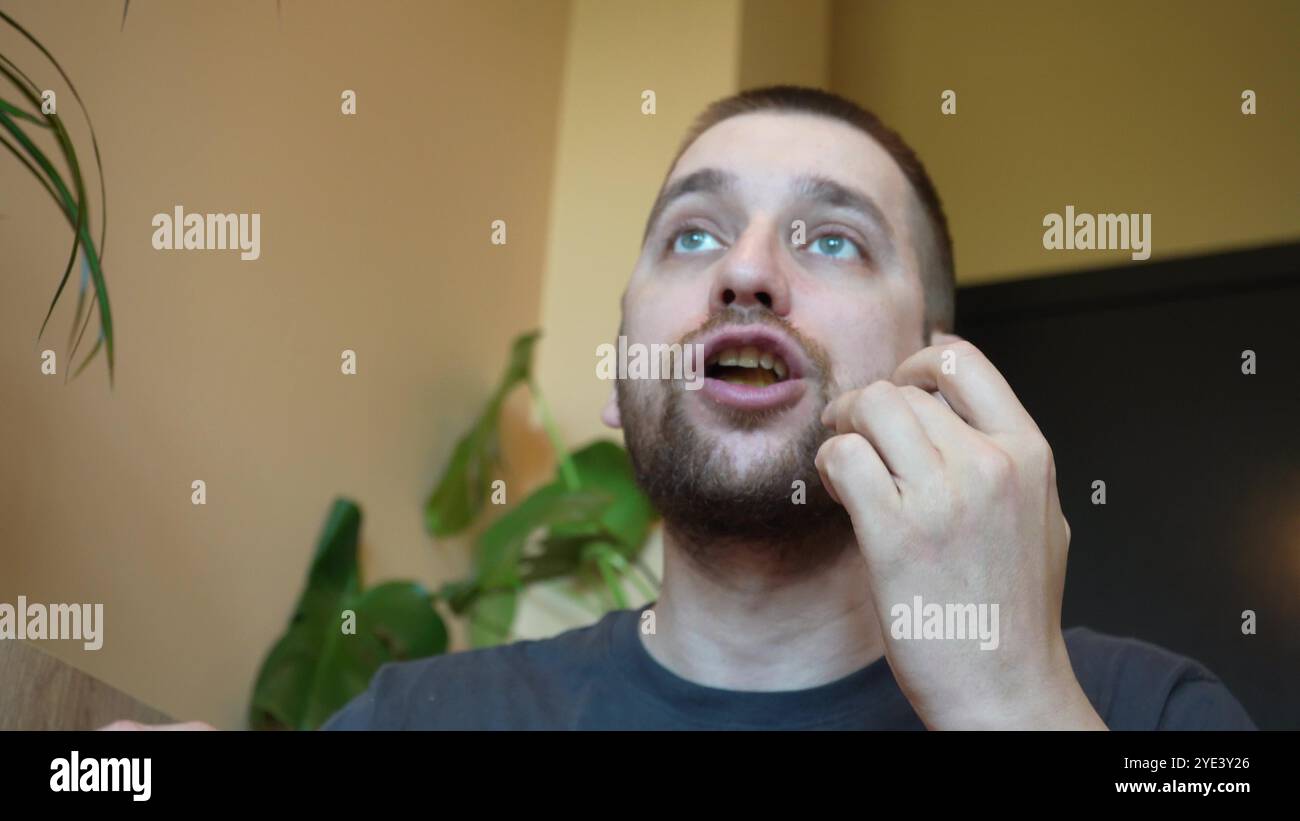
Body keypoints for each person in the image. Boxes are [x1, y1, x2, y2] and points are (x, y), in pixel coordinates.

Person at [326, 85, 1251, 730]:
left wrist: (1014, 707)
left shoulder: (1150, 712)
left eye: (837, 241)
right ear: (617, 371)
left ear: (937, 374)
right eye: (695, 233)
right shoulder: (408, 717)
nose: (747, 271)